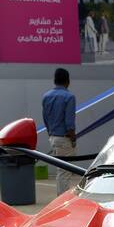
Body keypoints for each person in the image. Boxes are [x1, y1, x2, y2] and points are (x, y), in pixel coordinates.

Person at [42, 68, 77, 196]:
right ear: (68, 81)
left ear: (54, 80)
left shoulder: (46, 96)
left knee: (60, 171)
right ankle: (63, 201)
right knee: (65, 172)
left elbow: (45, 119)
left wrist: (51, 133)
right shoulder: (69, 97)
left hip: (52, 137)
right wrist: (73, 139)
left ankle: (59, 198)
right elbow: (69, 123)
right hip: (64, 138)